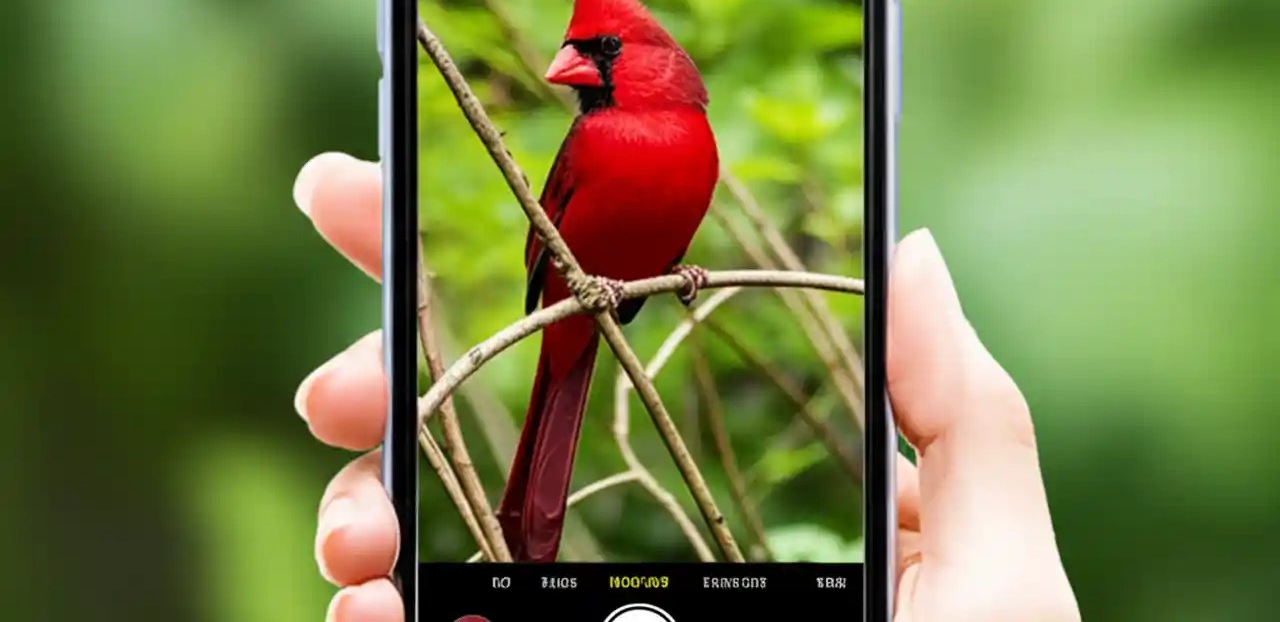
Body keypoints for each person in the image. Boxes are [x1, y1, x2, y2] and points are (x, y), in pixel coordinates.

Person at [291, 152, 1083, 622]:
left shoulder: (695, 146)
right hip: (573, 289)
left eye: (599, 56)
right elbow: (553, 230)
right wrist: (578, 286)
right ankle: (517, 539)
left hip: (631, 280)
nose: (572, 71)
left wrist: (674, 276)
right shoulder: (588, 140)